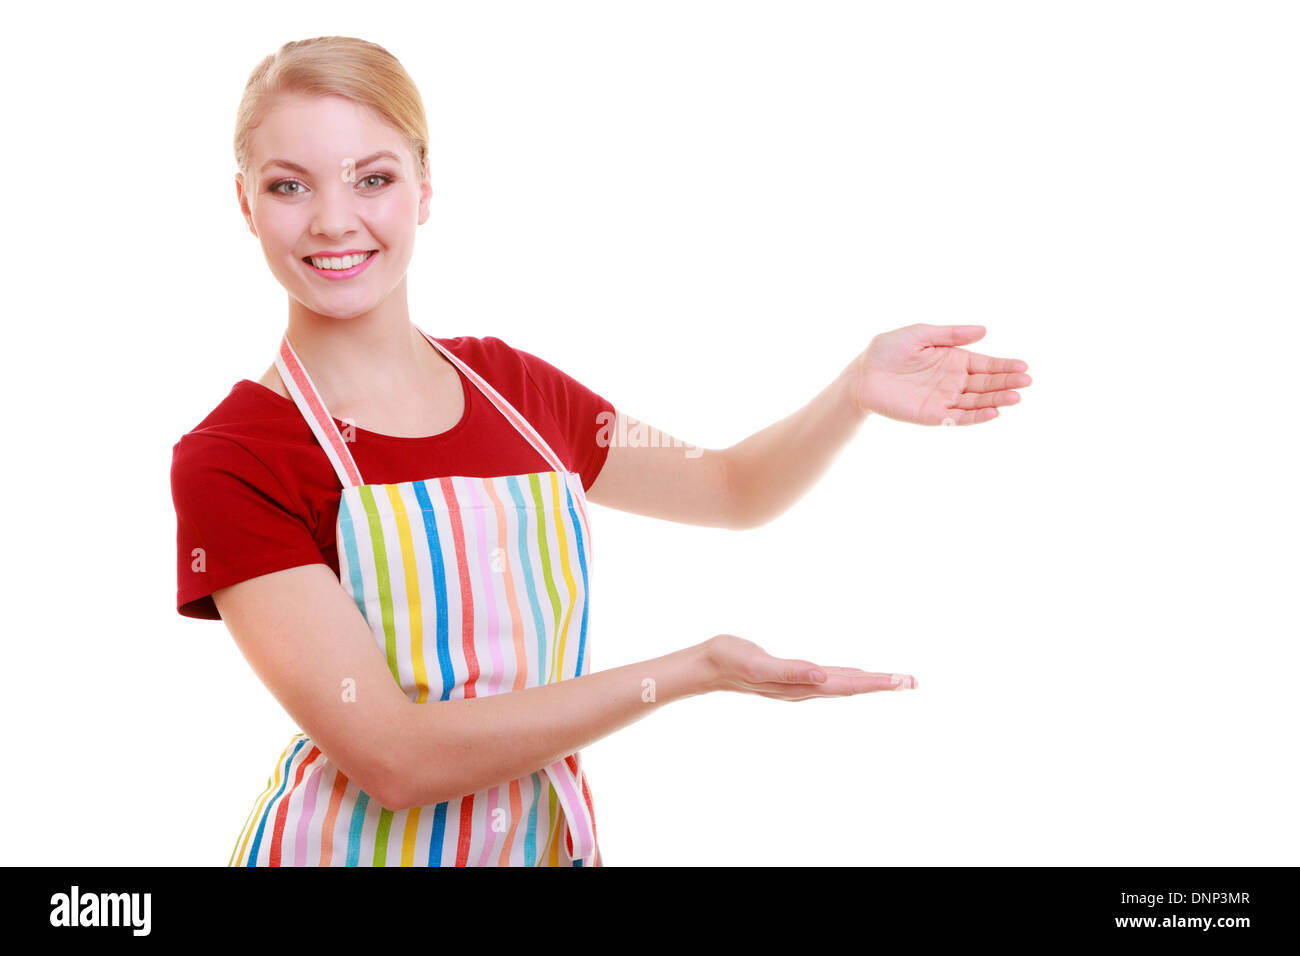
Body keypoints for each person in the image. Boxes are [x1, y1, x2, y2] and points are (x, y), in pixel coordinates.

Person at [171, 35, 1031, 867]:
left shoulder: (519, 391)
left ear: (426, 186)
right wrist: (690, 672)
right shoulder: (235, 458)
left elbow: (729, 486)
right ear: (244, 202)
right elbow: (397, 761)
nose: (334, 221)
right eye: (289, 186)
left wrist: (849, 396)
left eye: (374, 178)